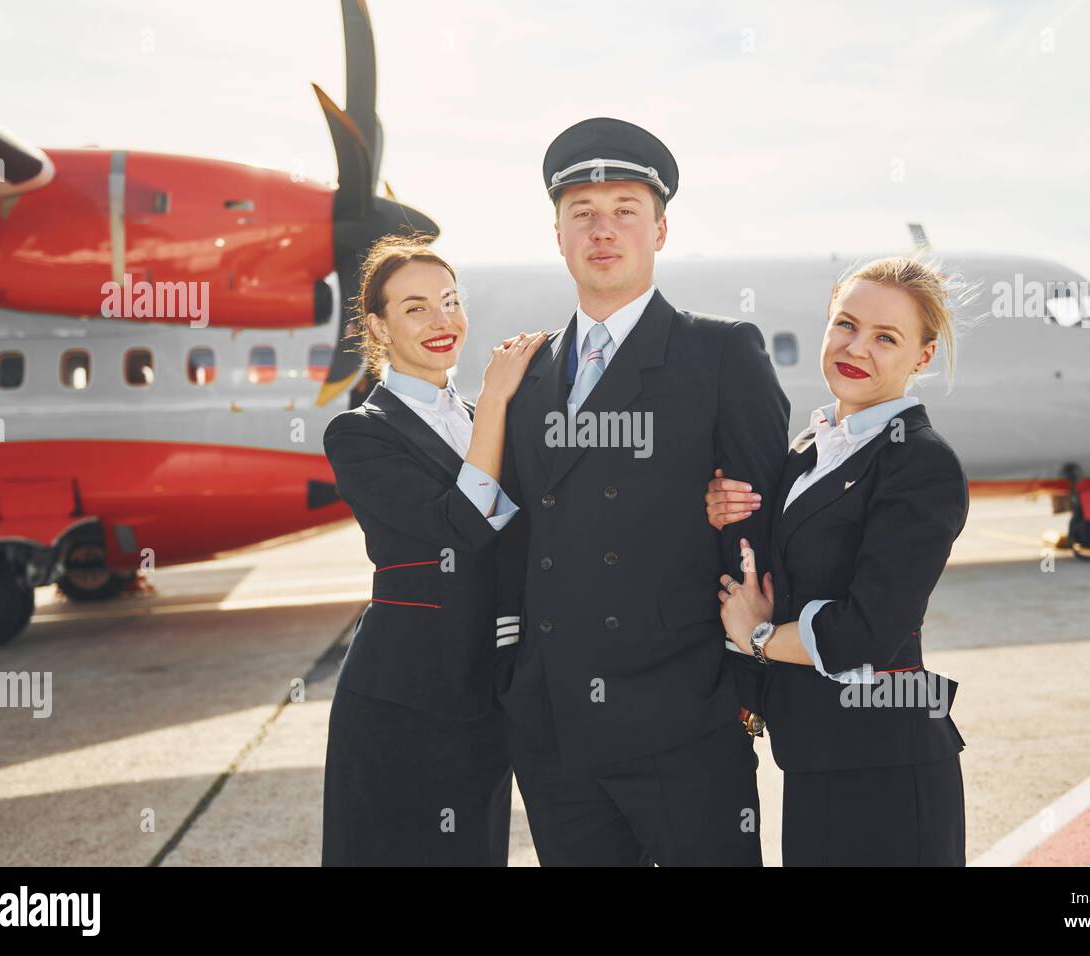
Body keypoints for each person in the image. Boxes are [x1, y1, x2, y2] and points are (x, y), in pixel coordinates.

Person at [494, 117, 791, 866]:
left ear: (660, 230)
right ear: (557, 234)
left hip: (683, 720)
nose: (603, 230)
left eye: (626, 210)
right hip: (556, 730)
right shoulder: (524, 376)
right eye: (582, 214)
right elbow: (510, 534)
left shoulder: (720, 353)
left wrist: (747, 681)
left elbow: (758, 528)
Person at [711, 256, 969, 866]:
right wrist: (721, 504)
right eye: (845, 325)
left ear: (922, 357)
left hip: (887, 764)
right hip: (814, 756)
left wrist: (759, 637)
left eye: (886, 338)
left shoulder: (920, 463)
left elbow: (867, 632)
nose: (857, 348)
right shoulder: (807, 449)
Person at [320, 236, 547, 866]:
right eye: (416, 308)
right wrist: (499, 400)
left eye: (450, 301)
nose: (442, 321)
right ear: (378, 326)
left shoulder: (479, 416)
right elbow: (462, 524)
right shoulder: (360, 433)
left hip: (486, 692)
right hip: (403, 695)